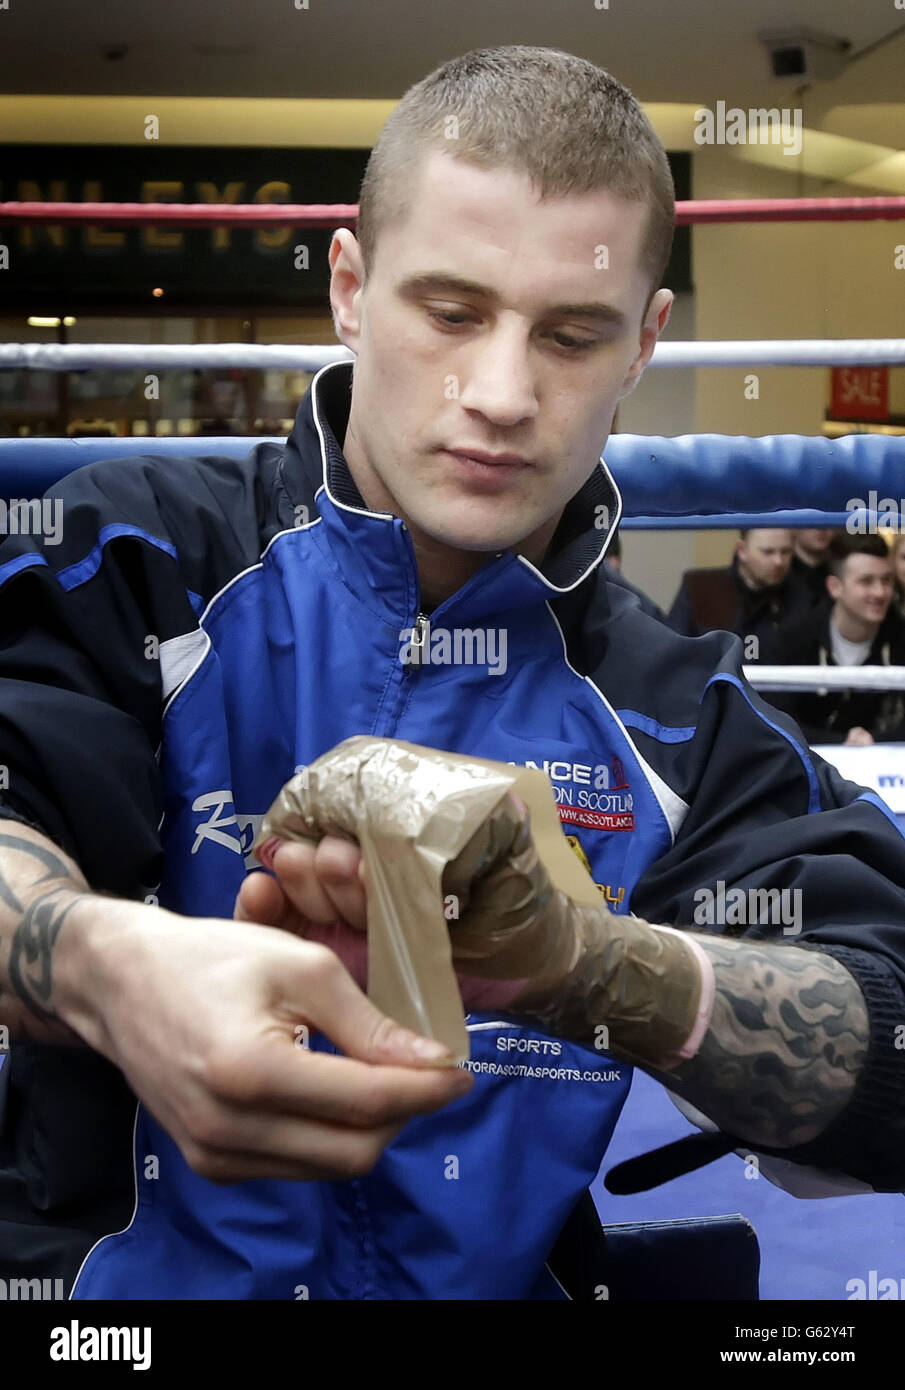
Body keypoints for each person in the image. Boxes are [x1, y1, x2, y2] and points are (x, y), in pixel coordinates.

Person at [2, 45, 905, 1304]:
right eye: (451, 312)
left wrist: (588, 966)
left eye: (570, 333)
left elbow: (889, 1035)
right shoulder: (138, 559)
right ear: (350, 289)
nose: (498, 394)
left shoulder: (674, 711)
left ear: (645, 341)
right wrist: (102, 967)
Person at [762, 532, 905, 746]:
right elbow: (774, 721)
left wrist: (874, 740)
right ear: (834, 587)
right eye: (866, 581)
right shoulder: (794, 639)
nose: (880, 592)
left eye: (886, 580)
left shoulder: (900, 636)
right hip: (809, 766)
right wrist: (841, 742)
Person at [668, 527, 812, 657]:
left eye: (786, 551)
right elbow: (673, 652)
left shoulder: (801, 597)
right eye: (768, 552)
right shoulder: (700, 587)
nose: (778, 561)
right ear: (742, 550)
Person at [791, 526, 837, 607]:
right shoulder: (782, 573)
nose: (821, 529)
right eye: (812, 522)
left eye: (827, 519)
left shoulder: (838, 571)